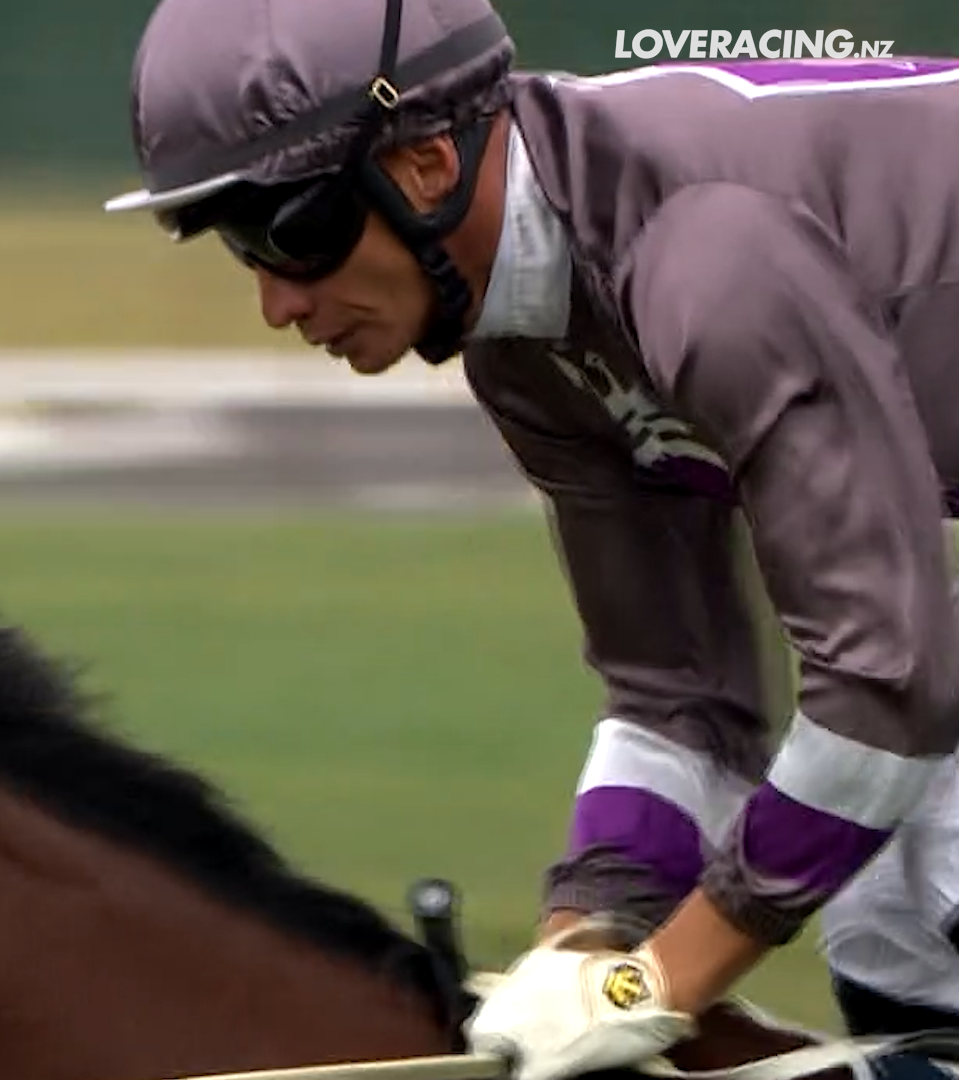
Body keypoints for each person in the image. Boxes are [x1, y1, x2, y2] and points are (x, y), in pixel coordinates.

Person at [102, 0, 959, 1070]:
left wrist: (657, 981)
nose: (279, 300)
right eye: (238, 247)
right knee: (893, 904)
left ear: (423, 166)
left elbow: (888, 690)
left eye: (291, 231)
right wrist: (583, 935)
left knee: (922, 847)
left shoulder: (706, 260)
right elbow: (679, 695)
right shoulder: (520, 339)